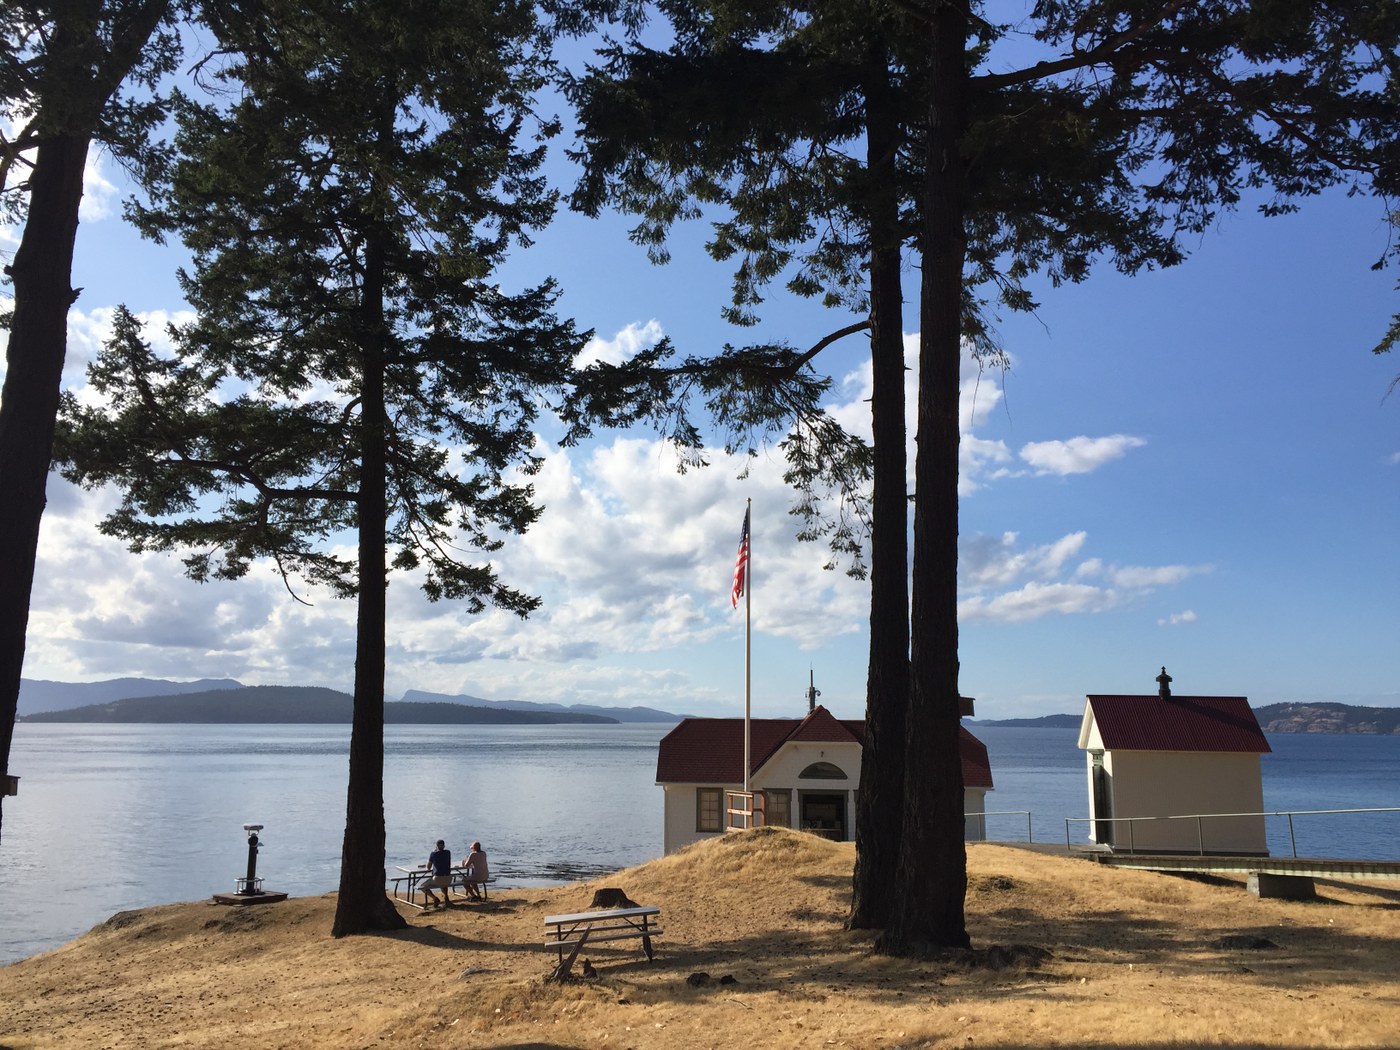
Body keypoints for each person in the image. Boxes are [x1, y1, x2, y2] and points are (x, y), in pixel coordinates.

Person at [421, 839, 452, 908]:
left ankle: (435, 898)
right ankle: (446, 898)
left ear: (437, 846)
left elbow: (429, 867)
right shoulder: (448, 852)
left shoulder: (433, 853)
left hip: (438, 878)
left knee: (423, 887)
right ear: (444, 846)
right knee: (444, 884)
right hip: (449, 878)